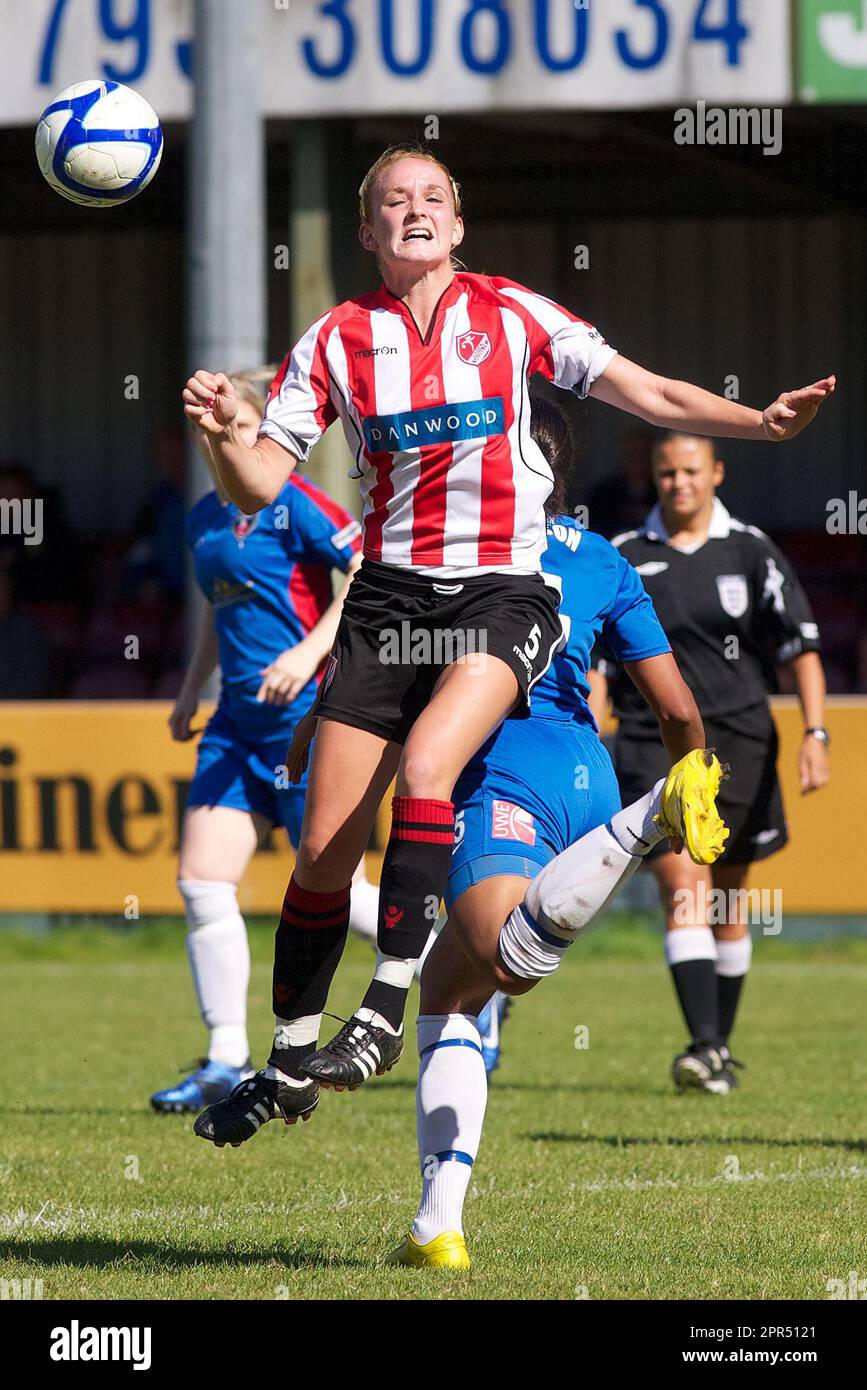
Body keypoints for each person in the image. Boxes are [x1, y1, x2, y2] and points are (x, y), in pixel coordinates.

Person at [183, 143, 833, 1149]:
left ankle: (383, 1008)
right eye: (393, 200)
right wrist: (226, 431)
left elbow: (650, 394)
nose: (413, 210)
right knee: (319, 856)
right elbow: (262, 482)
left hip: (500, 594)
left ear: (458, 222)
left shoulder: (514, 315)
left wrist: (760, 421)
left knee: (428, 769)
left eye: (431, 197)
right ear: (366, 231)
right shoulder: (337, 339)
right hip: (388, 602)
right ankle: (287, 1061)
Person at [150, 372, 378, 1114]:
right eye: (218, 431)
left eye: (245, 428)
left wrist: (309, 654)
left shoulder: (298, 503)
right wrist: (192, 690)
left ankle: (457, 971)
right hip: (234, 725)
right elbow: (221, 614)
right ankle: (225, 1058)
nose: (231, 440)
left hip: (303, 722)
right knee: (201, 881)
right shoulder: (203, 520)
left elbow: (365, 571)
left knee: (337, 888)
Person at [589, 432, 830, 1095]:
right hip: (655, 742)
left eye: (691, 471)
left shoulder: (750, 551)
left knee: (727, 899)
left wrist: (815, 733)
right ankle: (702, 1046)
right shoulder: (624, 555)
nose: (679, 483)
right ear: (654, 477)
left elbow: (801, 646)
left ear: (716, 472)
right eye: (667, 472)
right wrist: (590, 727)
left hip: (742, 740)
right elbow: (598, 661)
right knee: (682, 886)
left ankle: (716, 1049)